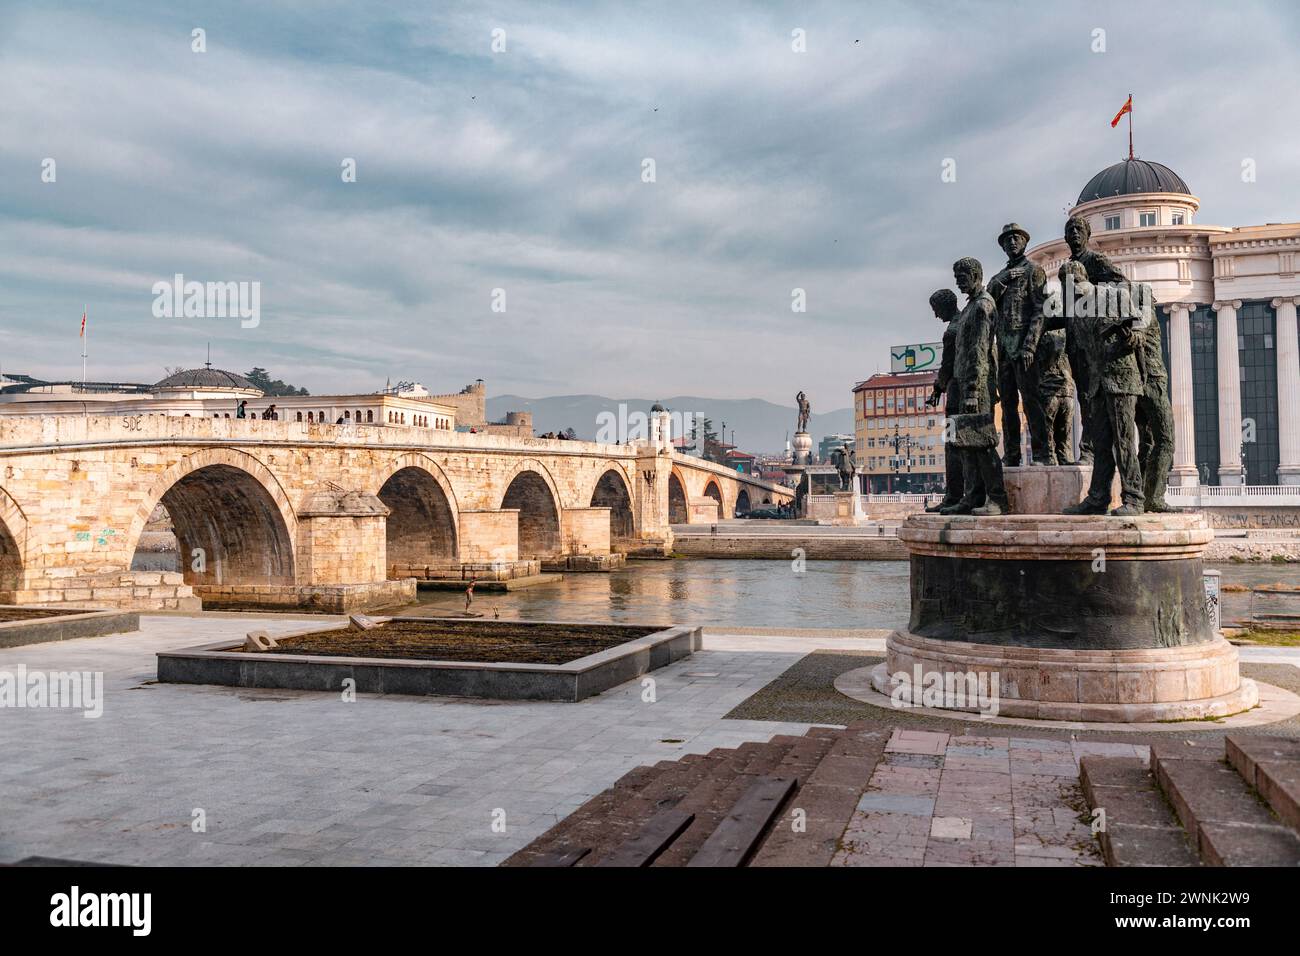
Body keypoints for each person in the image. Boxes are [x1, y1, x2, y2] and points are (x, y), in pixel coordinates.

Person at [943, 257, 1009, 516]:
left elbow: (980, 351)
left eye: (962, 276)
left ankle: (997, 498)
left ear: (976, 274)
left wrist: (971, 390)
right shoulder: (970, 306)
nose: (958, 281)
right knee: (966, 444)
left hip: (977, 385)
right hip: (964, 383)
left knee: (982, 443)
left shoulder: (982, 306)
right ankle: (972, 497)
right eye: (956, 277)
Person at [987, 223, 1049, 466]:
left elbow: (1040, 310)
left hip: (1024, 350)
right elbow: (987, 301)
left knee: (1032, 403)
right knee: (1009, 406)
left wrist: (1030, 345)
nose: (1012, 242)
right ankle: (1012, 454)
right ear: (1002, 246)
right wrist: (1002, 280)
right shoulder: (999, 276)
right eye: (1007, 240)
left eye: (1016, 238)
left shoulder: (1034, 270)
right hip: (1004, 351)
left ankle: (1042, 454)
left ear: (1024, 242)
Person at [925, 288, 984, 512]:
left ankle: (955, 496)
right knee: (965, 446)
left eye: (935, 309)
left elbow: (947, 364)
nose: (935, 315)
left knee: (953, 446)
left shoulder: (952, 329)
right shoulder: (965, 320)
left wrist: (938, 388)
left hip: (957, 394)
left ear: (944, 306)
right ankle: (966, 495)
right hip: (963, 390)